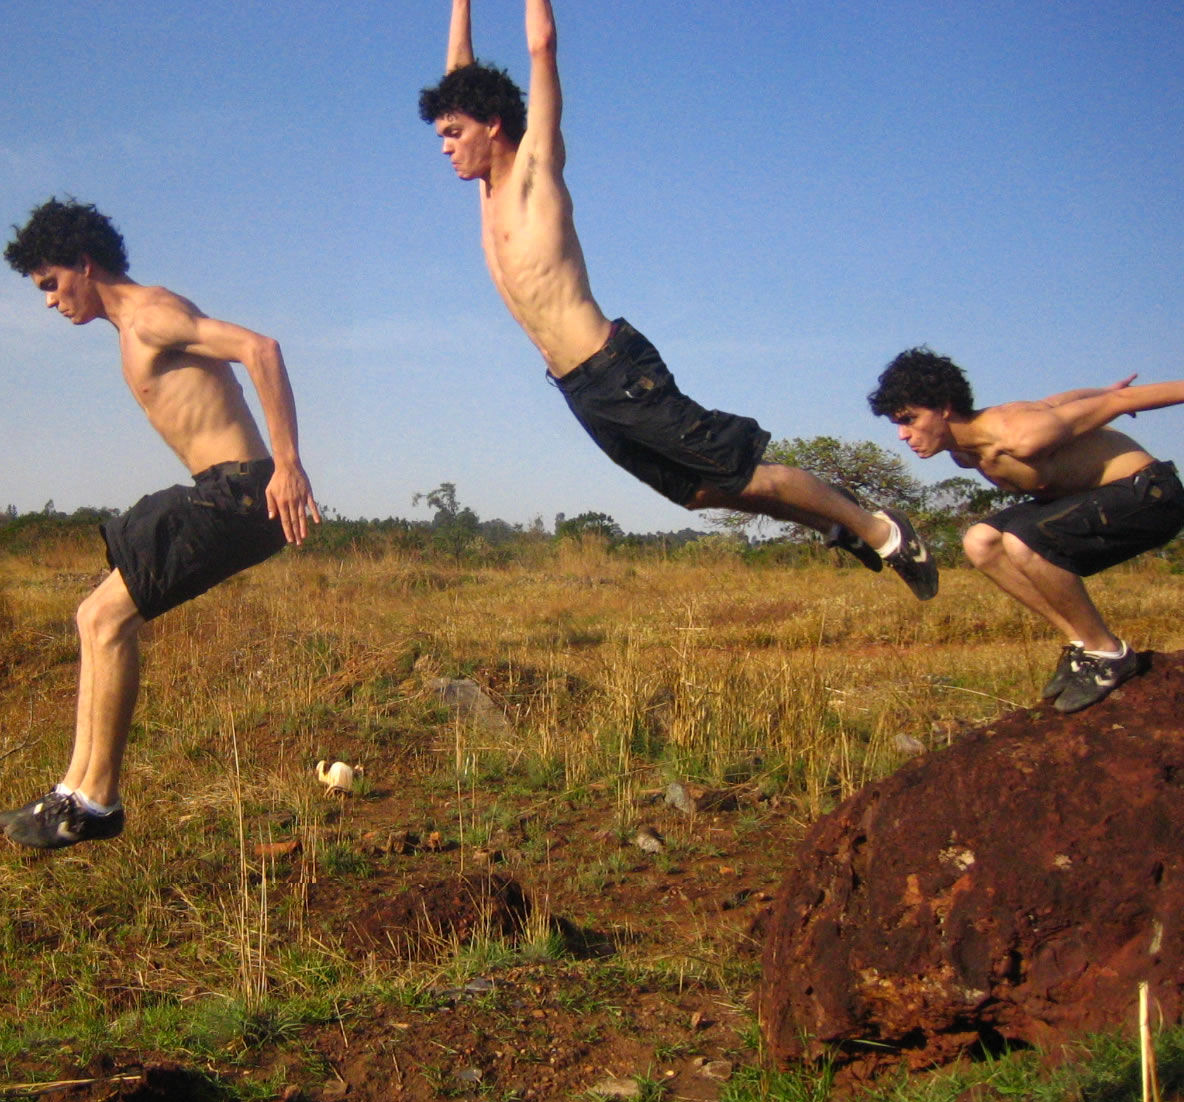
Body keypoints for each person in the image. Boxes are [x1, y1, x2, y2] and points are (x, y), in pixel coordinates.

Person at [418, 0, 937, 600]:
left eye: (454, 133)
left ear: (494, 124)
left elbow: (542, 45)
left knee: (737, 471)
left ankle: (882, 530)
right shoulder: (484, 192)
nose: (444, 148)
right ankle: (833, 518)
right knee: (697, 494)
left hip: (615, 371)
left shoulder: (536, 169)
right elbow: (459, 71)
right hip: (578, 389)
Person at [0, 198, 319, 848]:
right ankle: (78, 789)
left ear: (85, 265)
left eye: (52, 284)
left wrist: (288, 466)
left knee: (106, 618)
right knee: (95, 617)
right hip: (217, 490)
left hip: (241, 494)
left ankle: (97, 799)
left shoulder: (150, 316)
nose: (50, 302)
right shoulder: (131, 327)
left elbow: (261, 348)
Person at [869, 348, 1184, 712]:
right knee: (981, 542)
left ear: (944, 407)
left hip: (1151, 496)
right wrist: (1098, 391)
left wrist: (1108, 397)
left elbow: (1123, 400)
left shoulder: (1020, 433)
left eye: (910, 419)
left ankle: (1109, 654)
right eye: (897, 423)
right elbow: (1054, 402)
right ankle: (1084, 645)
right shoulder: (965, 453)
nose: (902, 435)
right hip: (1100, 498)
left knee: (1023, 541)